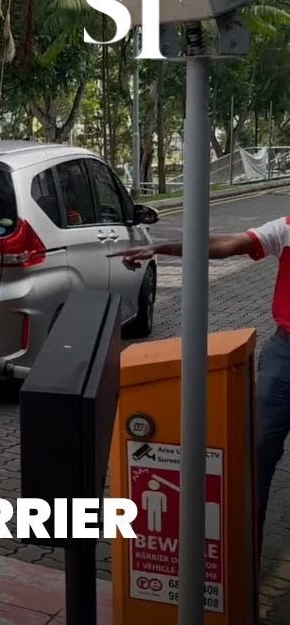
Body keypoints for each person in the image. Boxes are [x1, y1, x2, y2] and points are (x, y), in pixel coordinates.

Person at [116, 216, 290, 551]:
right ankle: (244, 558)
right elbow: (226, 244)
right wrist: (162, 247)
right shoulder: (286, 228)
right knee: (257, 453)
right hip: (285, 355)